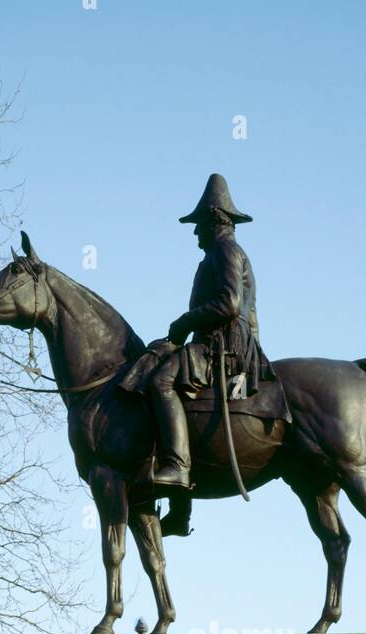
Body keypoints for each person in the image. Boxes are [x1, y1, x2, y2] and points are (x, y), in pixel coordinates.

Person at [119, 173, 276, 534]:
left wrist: (185, 321)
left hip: (223, 345)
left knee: (160, 381)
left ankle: (177, 465)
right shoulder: (217, 255)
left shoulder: (225, 251)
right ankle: (180, 511)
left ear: (214, 221)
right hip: (218, 342)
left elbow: (231, 304)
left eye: (199, 225)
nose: (195, 234)